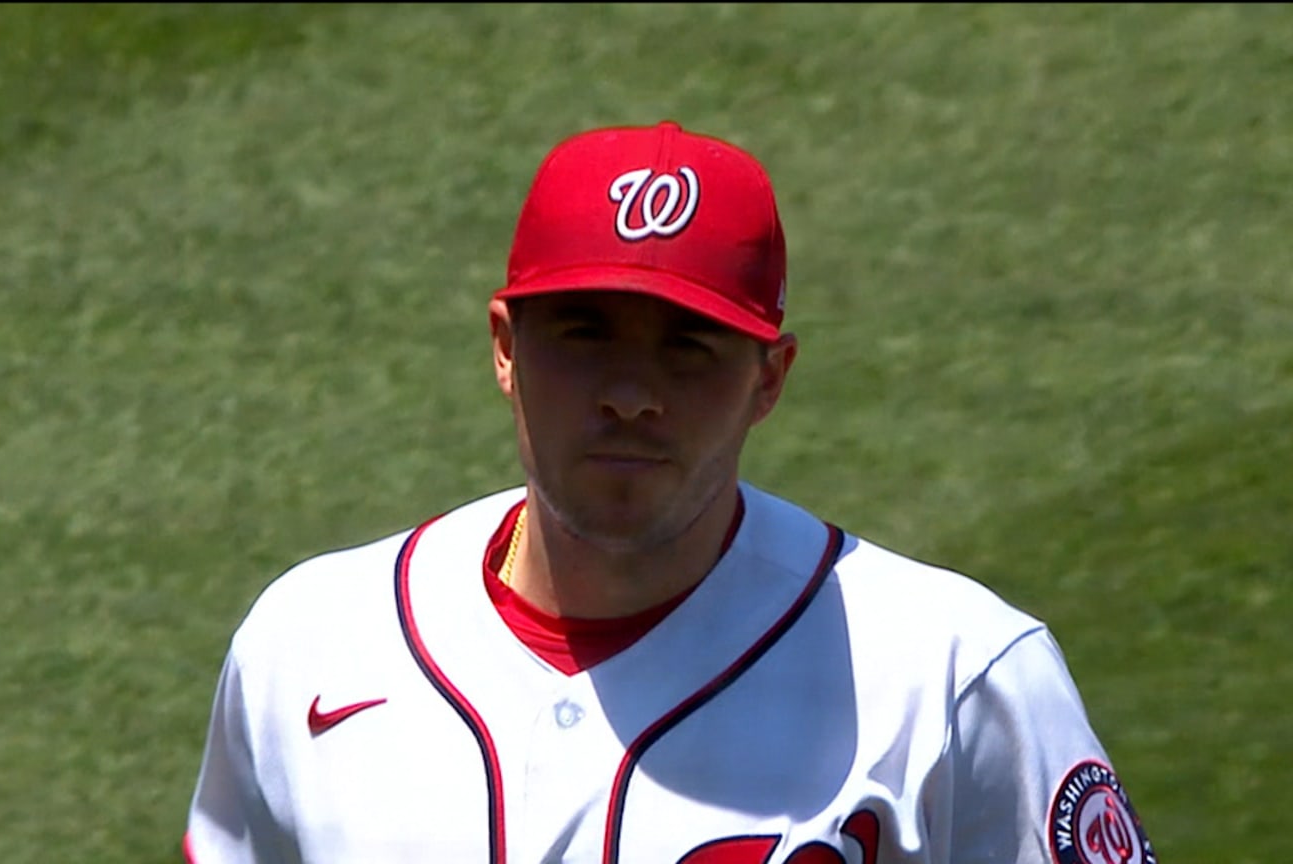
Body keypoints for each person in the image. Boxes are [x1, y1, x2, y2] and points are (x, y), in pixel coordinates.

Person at [181, 120, 1157, 864]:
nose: (631, 397)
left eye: (687, 349)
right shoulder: (307, 645)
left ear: (769, 379)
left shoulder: (953, 675)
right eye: (585, 335)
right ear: (505, 349)